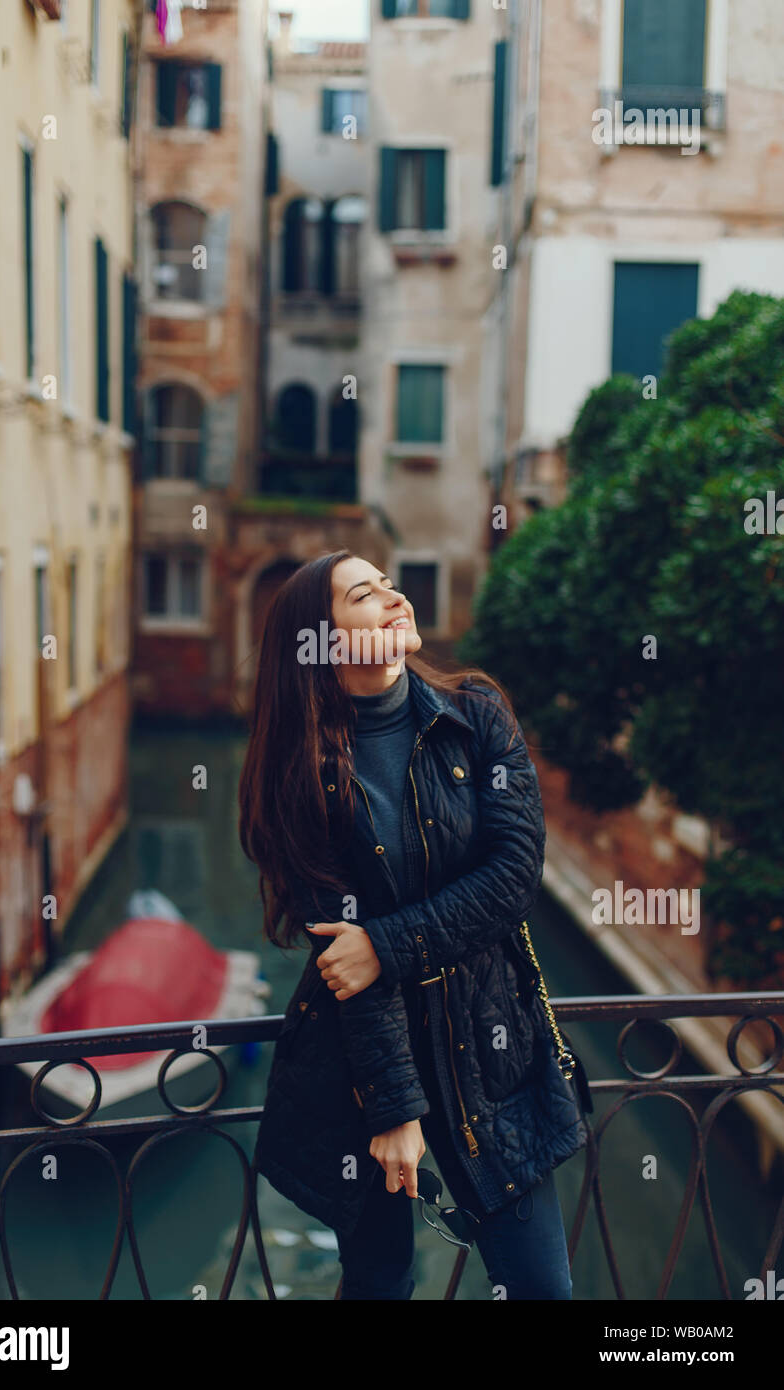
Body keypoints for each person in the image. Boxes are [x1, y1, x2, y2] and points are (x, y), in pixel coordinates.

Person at [239, 549, 588, 1299]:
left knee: (541, 1286)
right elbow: (343, 960)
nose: (396, 598)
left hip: (491, 1051)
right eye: (366, 594)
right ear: (324, 642)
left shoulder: (477, 715)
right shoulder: (299, 775)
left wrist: (387, 944)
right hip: (361, 1065)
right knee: (380, 1283)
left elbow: (513, 877)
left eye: (391, 583)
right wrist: (396, 1109)